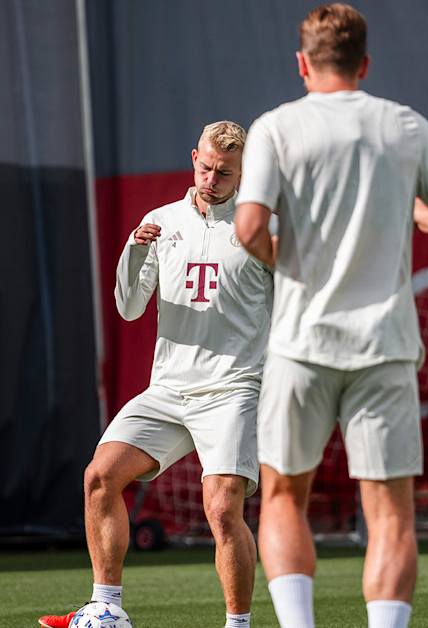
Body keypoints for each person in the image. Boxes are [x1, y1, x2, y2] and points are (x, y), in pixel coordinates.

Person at [233, 5, 428, 627]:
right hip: (384, 347)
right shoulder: (404, 125)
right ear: (364, 64)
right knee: (391, 515)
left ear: (302, 64)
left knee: (283, 498)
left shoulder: (275, 126)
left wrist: (290, 261)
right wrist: (426, 218)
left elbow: (248, 229)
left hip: (300, 344)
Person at [38, 121, 272, 628]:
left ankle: (238, 625)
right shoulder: (160, 222)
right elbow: (128, 307)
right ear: (194, 159)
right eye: (206, 167)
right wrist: (136, 249)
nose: (212, 179)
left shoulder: (259, 228)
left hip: (233, 388)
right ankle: (106, 607)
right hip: (168, 389)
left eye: (225, 172)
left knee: (222, 508)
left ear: (242, 173)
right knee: (100, 477)